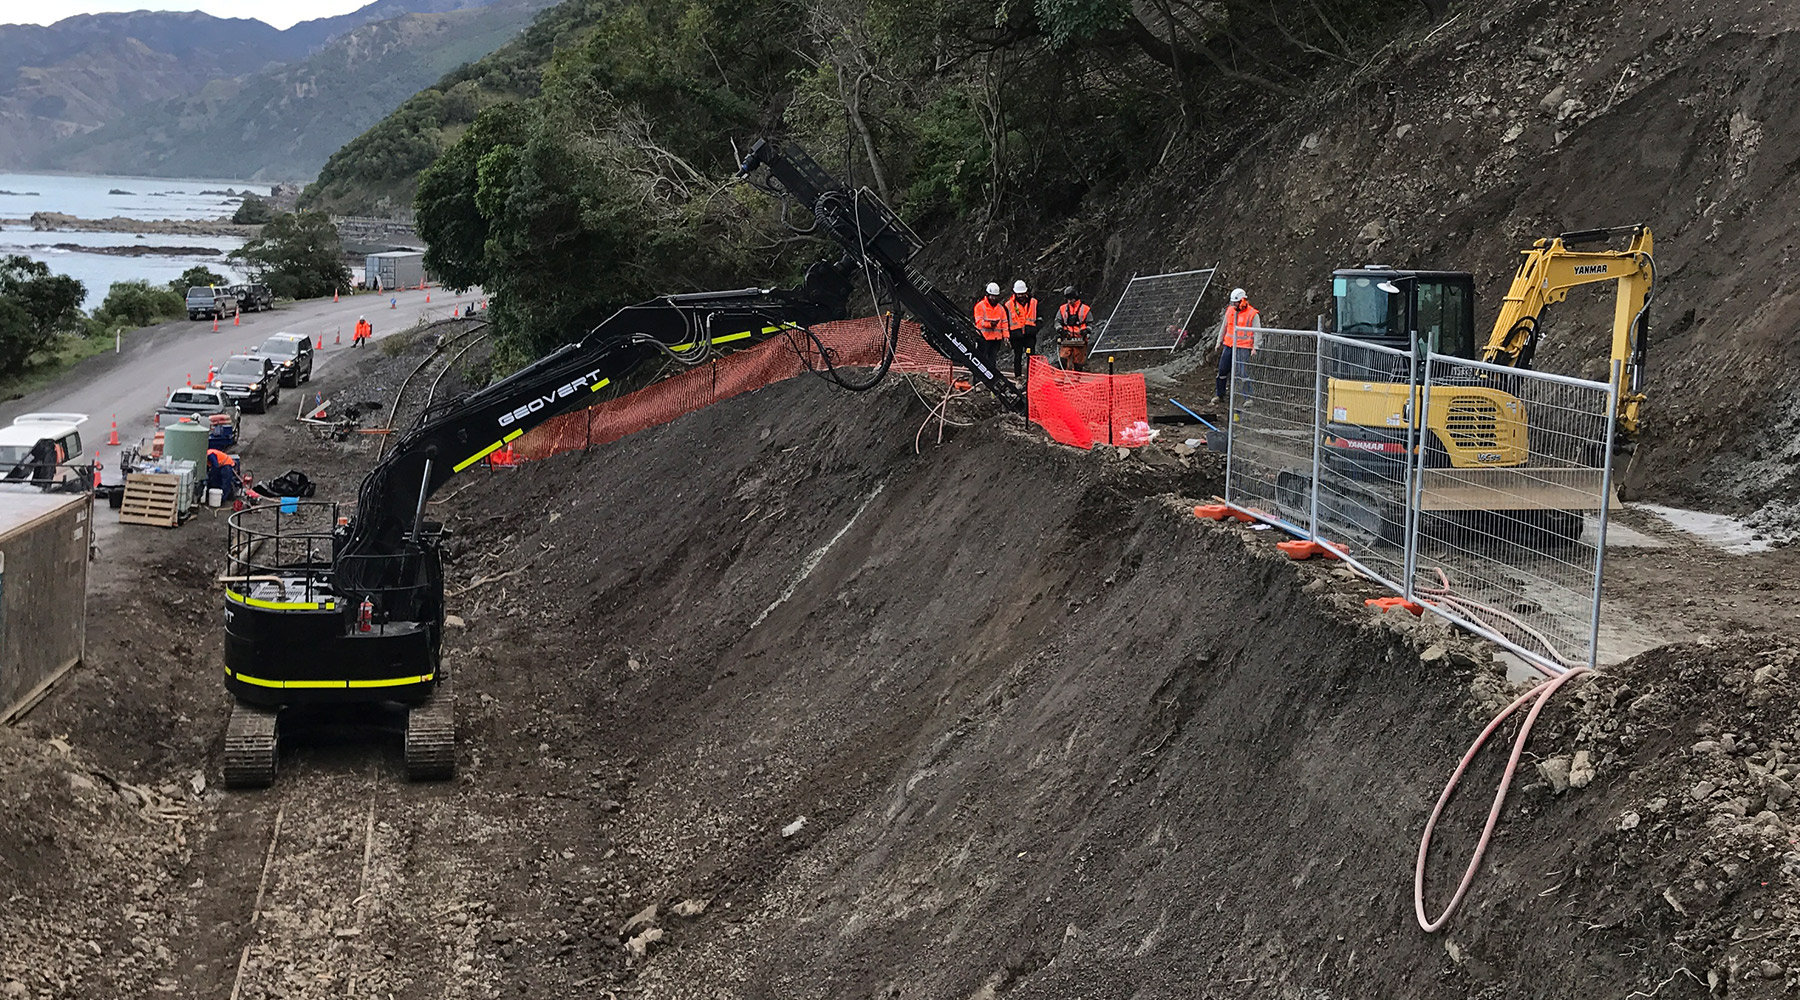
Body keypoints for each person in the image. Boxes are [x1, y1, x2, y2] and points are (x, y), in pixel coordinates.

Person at [1215, 287, 1261, 406]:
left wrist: (1255, 347)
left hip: (1243, 347)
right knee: (1222, 370)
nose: (1234, 305)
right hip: (1229, 345)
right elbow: (1224, 327)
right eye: (1233, 303)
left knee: (1243, 372)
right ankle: (1219, 394)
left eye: (1236, 302)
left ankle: (1248, 397)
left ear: (1242, 301)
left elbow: (1257, 331)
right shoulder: (1230, 311)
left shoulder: (1252, 314)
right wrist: (1219, 341)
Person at [972, 281, 1010, 372]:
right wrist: (990, 324)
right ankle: (978, 381)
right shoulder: (980, 306)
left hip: (996, 340)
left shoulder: (1000, 308)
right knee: (981, 361)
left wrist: (1006, 336)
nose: (994, 298)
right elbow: (979, 322)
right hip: (983, 338)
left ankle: (991, 379)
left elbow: (1004, 323)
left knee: (992, 362)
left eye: (996, 296)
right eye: (992, 296)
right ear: (987, 295)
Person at [1005, 279, 1039, 375]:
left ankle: (1031, 376)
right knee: (1017, 356)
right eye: (1019, 294)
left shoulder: (1034, 302)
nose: (1021, 296)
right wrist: (1008, 335)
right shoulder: (1009, 305)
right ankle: (1018, 376)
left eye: (1022, 294)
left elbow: (1039, 317)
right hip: (1016, 336)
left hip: (1029, 335)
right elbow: (1005, 321)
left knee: (1031, 356)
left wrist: (1035, 328)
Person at [1055, 286, 1092, 371]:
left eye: (1070, 299)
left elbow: (1090, 323)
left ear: (1075, 298)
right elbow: (1057, 321)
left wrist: (1087, 331)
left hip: (1080, 339)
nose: (1069, 301)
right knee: (1063, 360)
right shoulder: (1063, 308)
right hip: (1067, 338)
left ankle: (1076, 382)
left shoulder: (1085, 309)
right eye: (1067, 299)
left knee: (1078, 364)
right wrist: (1060, 330)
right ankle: (1060, 381)